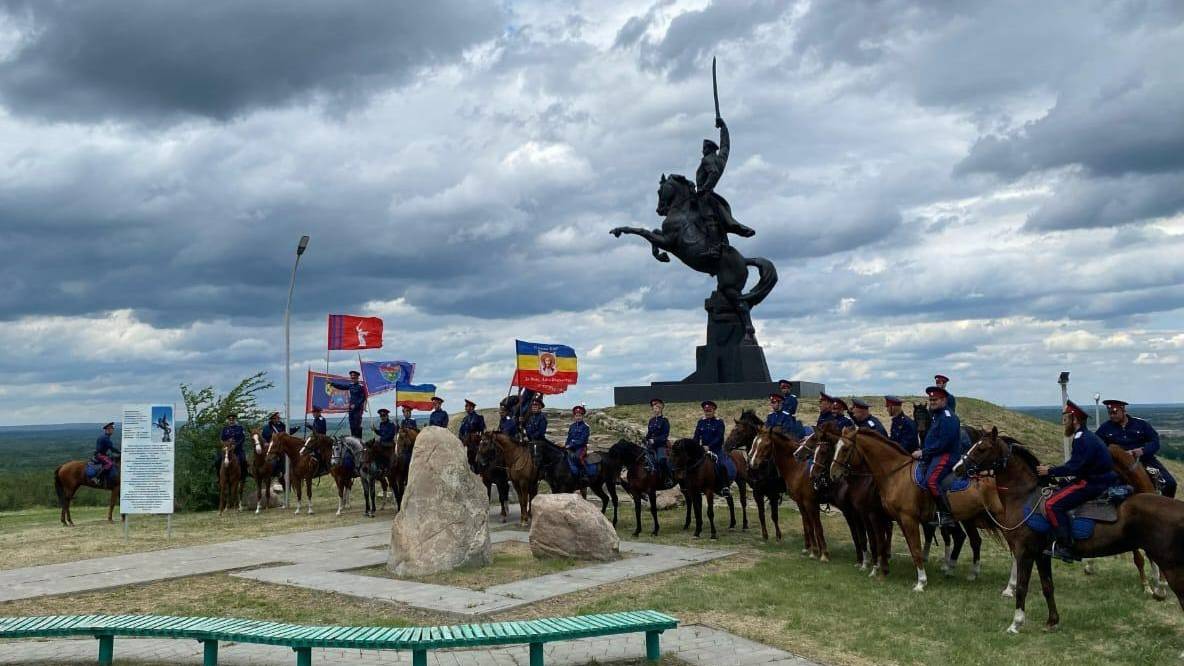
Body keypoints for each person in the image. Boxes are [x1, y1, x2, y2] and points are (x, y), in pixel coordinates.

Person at [1037, 400, 1117, 561]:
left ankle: (1066, 547)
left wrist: (1049, 471)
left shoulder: (1083, 439)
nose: (1063, 422)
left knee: (1051, 505)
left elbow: (1075, 466)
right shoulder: (1085, 436)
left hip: (1093, 483)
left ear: (1075, 420)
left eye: (1066, 418)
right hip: (1095, 478)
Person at [695, 117, 755, 259]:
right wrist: (723, 128)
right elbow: (725, 146)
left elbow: (714, 173)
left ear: (709, 149)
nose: (702, 151)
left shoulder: (708, 160)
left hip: (705, 194)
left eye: (704, 148)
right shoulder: (720, 158)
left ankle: (715, 248)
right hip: (709, 193)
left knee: (706, 217)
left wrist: (704, 187)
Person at [1096, 399, 1176, 498]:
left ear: (1123, 410)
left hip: (1144, 460)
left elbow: (1155, 442)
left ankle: (1164, 509)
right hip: (1119, 465)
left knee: (1170, 483)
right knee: (1113, 491)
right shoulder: (1105, 428)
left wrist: (1143, 451)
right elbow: (1098, 447)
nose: (1112, 415)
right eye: (1110, 413)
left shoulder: (1141, 424)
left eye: (1115, 412)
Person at [913, 386, 960, 526]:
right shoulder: (937, 415)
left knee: (931, 481)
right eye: (931, 399)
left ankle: (947, 515)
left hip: (946, 456)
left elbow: (943, 444)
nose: (932, 402)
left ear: (944, 400)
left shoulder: (948, 417)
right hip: (936, 455)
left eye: (935, 399)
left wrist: (923, 453)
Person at [693, 400, 731, 495]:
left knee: (721, 465)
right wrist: (695, 446)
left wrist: (709, 446)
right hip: (703, 450)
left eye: (709, 411)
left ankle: (724, 486)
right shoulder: (701, 422)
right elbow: (696, 436)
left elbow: (719, 437)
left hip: (716, 449)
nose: (708, 413)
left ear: (714, 411)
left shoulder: (719, 422)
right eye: (706, 411)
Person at [329, 370, 368, 438]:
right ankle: (353, 439)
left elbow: (363, 397)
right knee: (352, 426)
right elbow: (341, 386)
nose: (352, 379)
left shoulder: (361, 386)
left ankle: (359, 440)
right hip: (351, 409)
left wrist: (356, 405)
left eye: (354, 377)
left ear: (357, 378)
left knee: (357, 425)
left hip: (358, 409)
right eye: (351, 377)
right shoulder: (350, 385)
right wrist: (332, 383)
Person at [645, 398, 672, 485]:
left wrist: (655, 440)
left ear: (661, 408)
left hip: (661, 445)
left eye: (657, 407)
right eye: (654, 407)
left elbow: (665, 435)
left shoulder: (664, 421)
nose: (655, 409)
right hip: (650, 446)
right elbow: (649, 433)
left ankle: (667, 478)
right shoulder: (651, 421)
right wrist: (645, 439)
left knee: (661, 460)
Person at [566, 405, 591, 478]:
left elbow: (582, 440)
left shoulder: (586, 427)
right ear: (574, 416)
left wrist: (571, 444)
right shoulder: (572, 426)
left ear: (583, 416)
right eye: (576, 415)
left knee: (578, 457)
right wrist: (566, 445)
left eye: (580, 415)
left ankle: (584, 473)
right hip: (571, 446)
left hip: (581, 447)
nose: (578, 417)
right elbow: (569, 437)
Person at [93, 422, 120, 486]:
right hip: (100, 455)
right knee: (109, 463)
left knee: (112, 459)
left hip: (101, 454)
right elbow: (112, 449)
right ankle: (96, 478)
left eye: (112, 429)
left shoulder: (105, 437)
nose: (113, 430)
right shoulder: (105, 438)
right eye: (111, 429)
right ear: (108, 430)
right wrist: (121, 452)